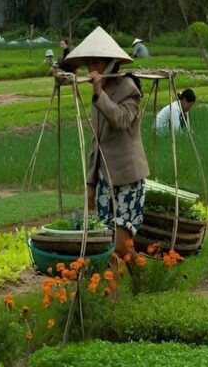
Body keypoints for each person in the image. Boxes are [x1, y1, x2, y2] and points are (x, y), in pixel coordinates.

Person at [64, 27, 149, 259]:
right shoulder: (97, 95)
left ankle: (142, 278)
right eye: (89, 62)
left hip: (128, 177)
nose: (92, 67)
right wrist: (90, 185)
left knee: (121, 244)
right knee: (105, 243)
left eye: (97, 61)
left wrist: (99, 92)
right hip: (105, 179)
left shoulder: (129, 89)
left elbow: (121, 120)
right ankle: (115, 288)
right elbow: (96, 140)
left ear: (110, 62)